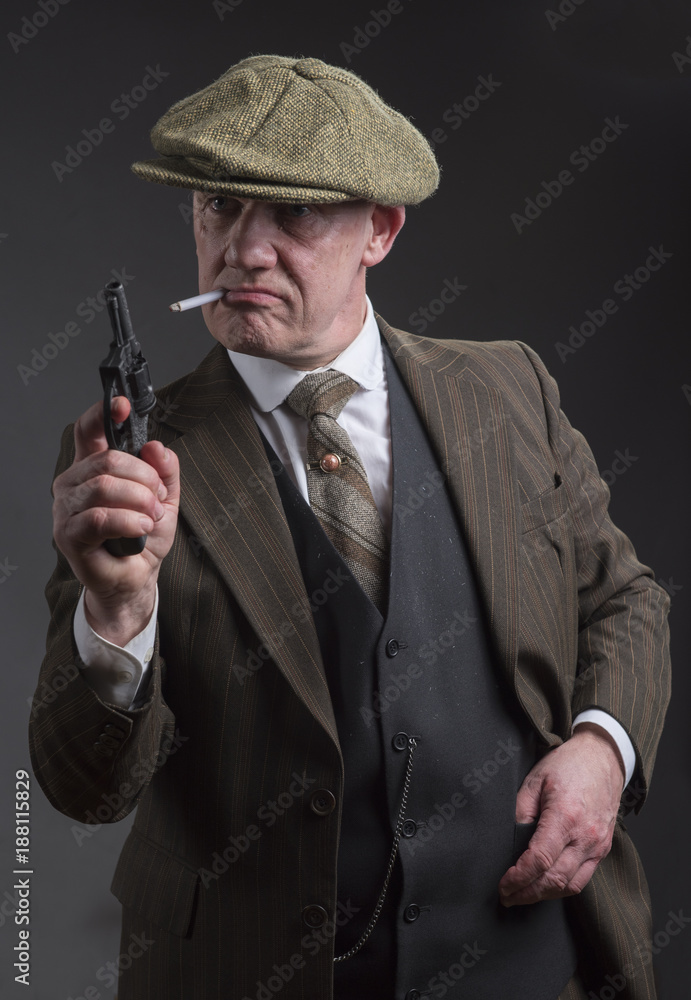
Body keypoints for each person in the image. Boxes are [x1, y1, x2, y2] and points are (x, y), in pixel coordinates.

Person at [30, 55, 671, 1000]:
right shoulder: (124, 466)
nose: (242, 250)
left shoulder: (509, 387)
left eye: (291, 214)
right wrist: (116, 613)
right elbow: (85, 787)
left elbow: (623, 597)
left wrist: (602, 745)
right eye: (218, 207)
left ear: (379, 230)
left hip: (531, 958)